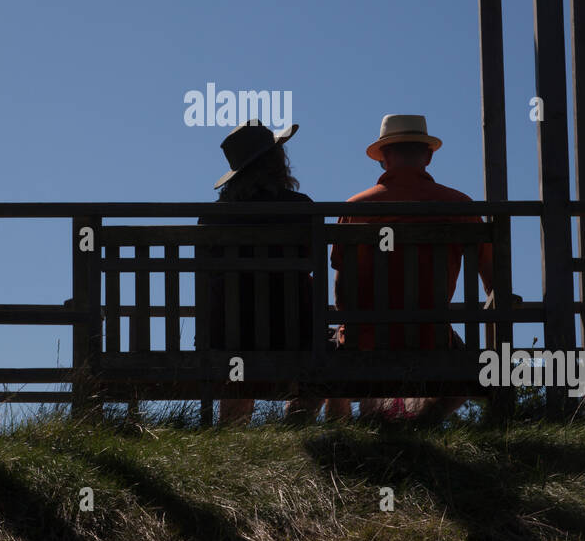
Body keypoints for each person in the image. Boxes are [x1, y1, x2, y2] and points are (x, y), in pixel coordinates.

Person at [324, 114, 499, 424]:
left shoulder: (355, 209)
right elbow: (494, 283)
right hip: (430, 339)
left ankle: (367, 426)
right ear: (428, 156)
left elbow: (341, 292)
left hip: (363, 340)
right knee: (460, 381)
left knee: (341, 340)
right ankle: (418, 424)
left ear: (384, 158)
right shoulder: (460, 206)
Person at [196, 120, 319, 425]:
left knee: (235, 324)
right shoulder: (302, 209)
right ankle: (293, 431)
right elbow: (315, 260)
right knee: (327, 346)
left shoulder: (212, 219)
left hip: (226, 338)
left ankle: (232, 436)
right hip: (294, 335)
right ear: (278, 162)